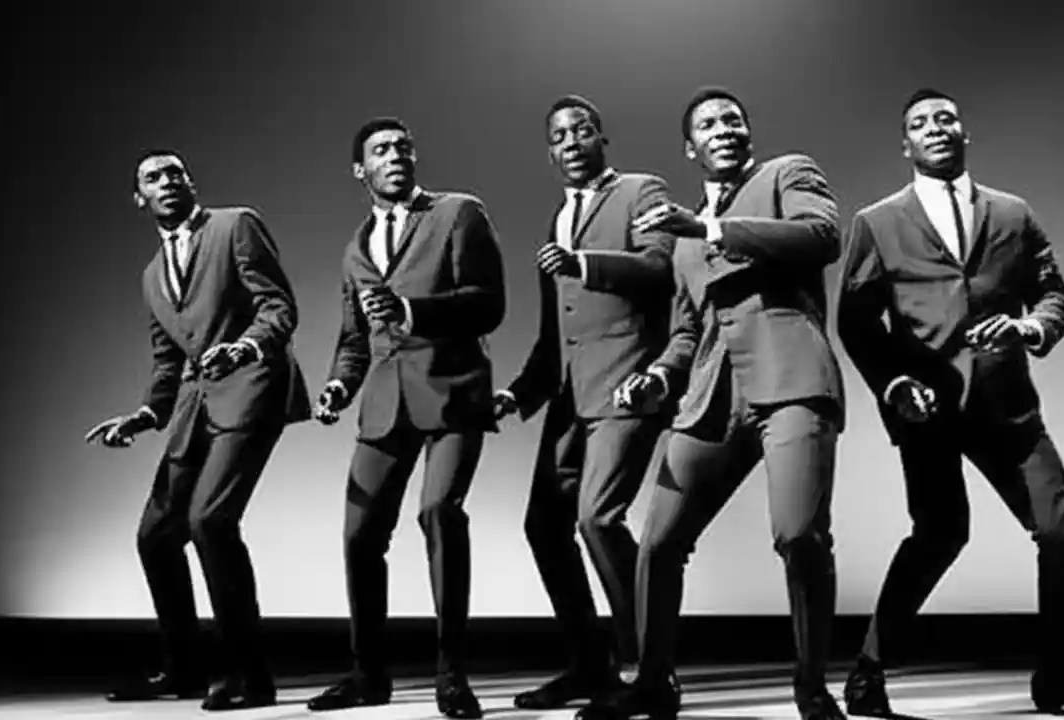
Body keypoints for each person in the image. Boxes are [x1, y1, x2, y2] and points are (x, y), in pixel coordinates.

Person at [835, 87, 1064, 716]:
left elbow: (1054, 294)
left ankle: (1056, 677)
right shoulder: (877, 222)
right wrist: (894, 385)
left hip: (1007, 408)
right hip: (928, 411)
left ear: (964, 132)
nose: (935, 128)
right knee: (939, 535)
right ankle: (868, 673)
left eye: (946, 118)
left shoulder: (1012, 214)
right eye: (921, 123)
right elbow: (857, 324)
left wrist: (1030, 327)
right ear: (906, 145)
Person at [584, 87, 847, 720]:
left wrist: (712, 227)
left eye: (733, 119)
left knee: (799, 535)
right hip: (710, 398)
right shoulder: (681, 239)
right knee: (658, 541)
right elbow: (687, 330)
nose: (723, 129)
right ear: (690, 147)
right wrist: (657, 376)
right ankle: (653, 683)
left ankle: (812, 689)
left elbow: (820, 236)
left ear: (748, 131)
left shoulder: (786, 174)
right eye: (707, 124)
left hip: (789, 381)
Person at [86, 149, 310, 711]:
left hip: (252, 391)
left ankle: (251, 677)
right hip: (194, 408)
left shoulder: (235, 226)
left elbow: (278, 308)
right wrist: (144, 415)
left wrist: (244, 348)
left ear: (190, 183)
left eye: (174, 173)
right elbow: (168, 361)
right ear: (139, 198)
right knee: (156, 536)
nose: (166, 182)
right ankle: (183, 669)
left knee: (210, 521)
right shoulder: (151, 276)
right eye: (152, 178)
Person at [306, 117, 506, 719]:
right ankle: (368, 676)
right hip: (384, 405)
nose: (395, 155)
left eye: (403, 147)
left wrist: (411, 310)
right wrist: (339, 385)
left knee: (438, 513)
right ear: (360, 170)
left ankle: (452, 676)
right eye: (381, 150)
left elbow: (488, 304)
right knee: (359, 535)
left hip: (452, 395)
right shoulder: (355, 248)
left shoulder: (458, 213)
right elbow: (354, 339)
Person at [494, 95, 676, 711]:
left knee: (599, 518)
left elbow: (660, 267)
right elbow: (556, 336)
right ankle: (590, 666)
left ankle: (653, 672)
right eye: (559, 136)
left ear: (602, 137)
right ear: (550, 152)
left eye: (582, 130)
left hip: (628, 383)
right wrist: (517, 395)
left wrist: (583, 262)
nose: (571, 142)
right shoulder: (556, 222)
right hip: (572, 400)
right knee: (544, 526)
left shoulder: (642, 192)